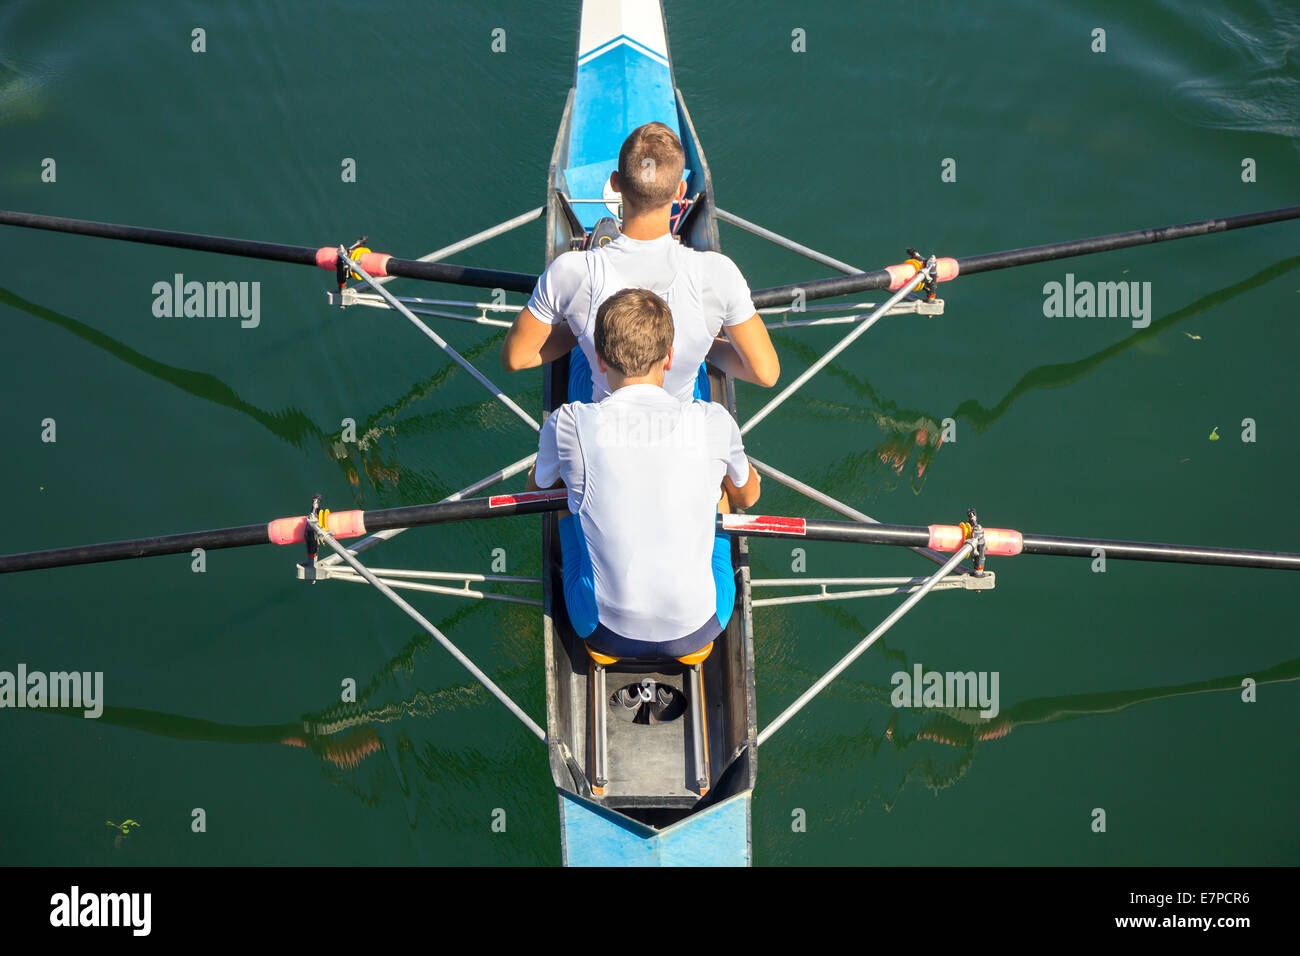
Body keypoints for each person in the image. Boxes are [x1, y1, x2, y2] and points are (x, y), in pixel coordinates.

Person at [528, 288, 760, 659]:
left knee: (559, 486)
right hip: (702, 627)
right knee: (724, 490)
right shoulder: (714, 420)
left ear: (599, 359)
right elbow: (749, 498)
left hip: (601, 630)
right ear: (669, 358)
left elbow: (536, 492)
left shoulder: (568, 421)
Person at [501, 121, 779, 403]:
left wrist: (580, 332)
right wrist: (703, 344)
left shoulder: (570, 272)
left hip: (600, 411)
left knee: (579, 340)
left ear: (614, 183)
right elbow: (765, 373)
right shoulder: (719, 274)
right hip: (679, 418)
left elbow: (516, 358)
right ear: (680, 191)